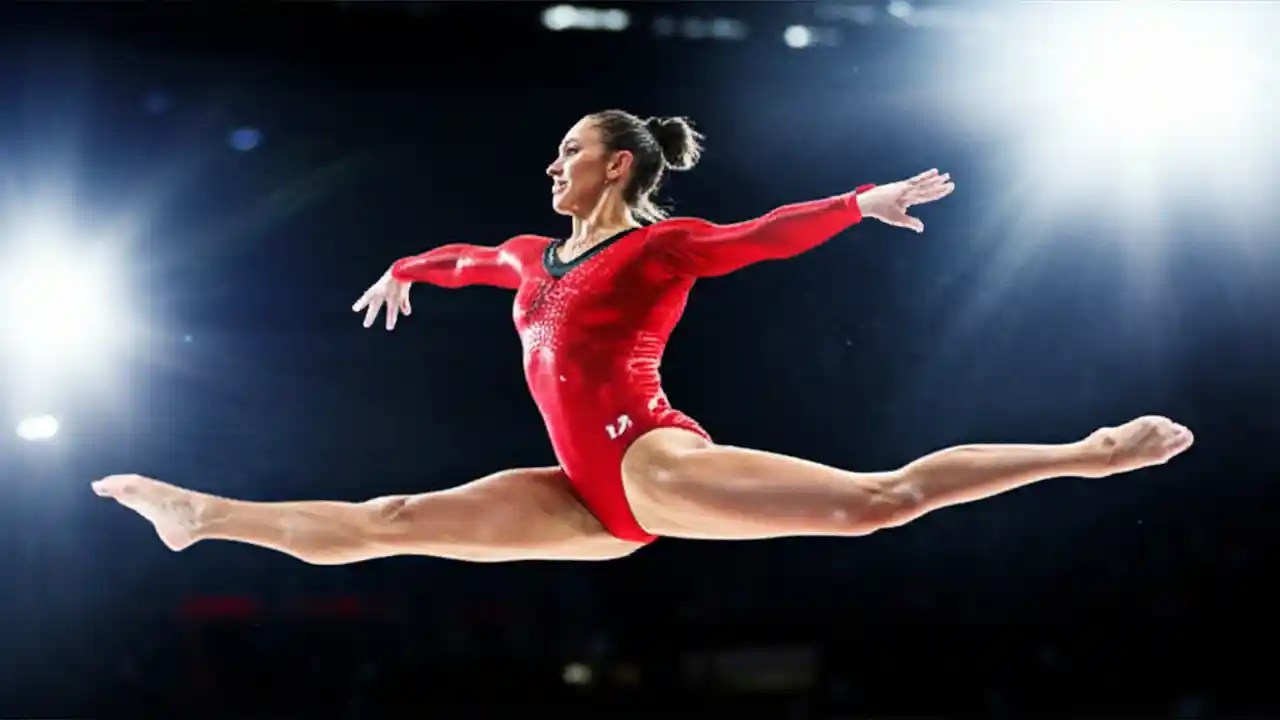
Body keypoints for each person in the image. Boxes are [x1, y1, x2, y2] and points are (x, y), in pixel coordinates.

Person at [93, 109, 1194, 565]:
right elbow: (467, 260)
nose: (551, 165)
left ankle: (1084, 450)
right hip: (583, 494)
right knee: (390, 522)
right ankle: (200, 517)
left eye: (569, 152)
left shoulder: (659, 249)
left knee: (876, 503)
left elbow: (760, 238)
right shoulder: (534, 253)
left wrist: (858, 202)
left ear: (617, 164)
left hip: (643, 459)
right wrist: (401, 269)